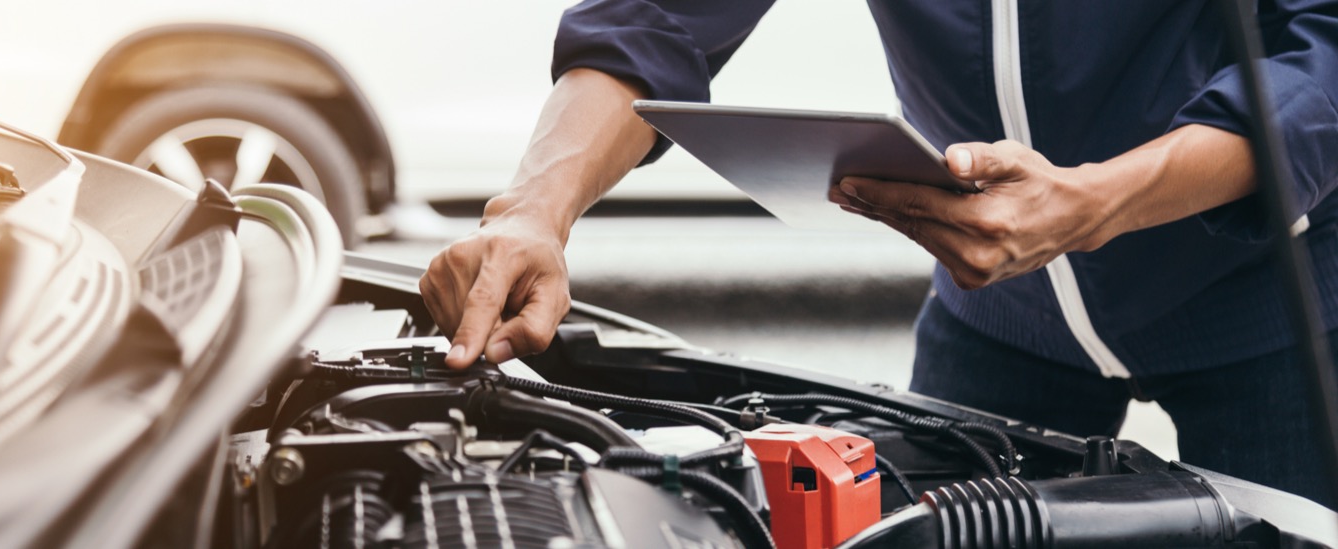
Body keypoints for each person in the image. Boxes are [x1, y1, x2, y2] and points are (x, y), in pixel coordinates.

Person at [417, 1, 1338, 506]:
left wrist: (1099, 201)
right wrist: (533, 209)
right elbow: (654, 17)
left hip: (1268, 304)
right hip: (1000, 318)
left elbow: (1324, 49)